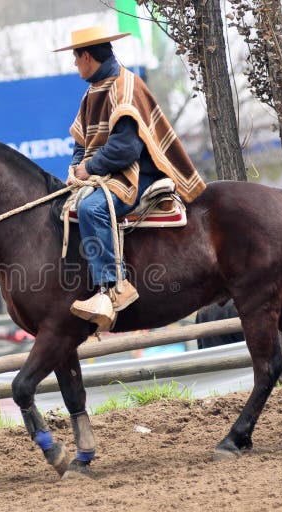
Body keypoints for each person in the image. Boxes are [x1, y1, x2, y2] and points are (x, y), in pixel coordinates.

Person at [54, 26, 206, 329]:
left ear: (86, 56)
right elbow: (81, 143)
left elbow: (126, 150)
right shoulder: (93, 91)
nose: (74, 64)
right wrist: (74, 171)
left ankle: (114, 287)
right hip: (106, 173)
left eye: (75, 57)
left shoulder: (126, 87)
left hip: (137, 174)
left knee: (91, 208)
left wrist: (89, 169)